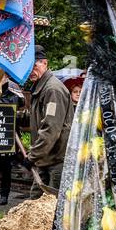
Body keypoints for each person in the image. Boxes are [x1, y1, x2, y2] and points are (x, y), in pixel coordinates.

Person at [24, 45, 75, 193]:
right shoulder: (41, 87)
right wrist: (13, 117)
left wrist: (32, 156)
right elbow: (38, 117)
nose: (31, 71)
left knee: (52, 211)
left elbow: (51, 128)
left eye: (34, 66)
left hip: (56, 163)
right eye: (28, 67)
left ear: (45, 63)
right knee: (34, 207)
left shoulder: (52, 90)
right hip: (45, 160)